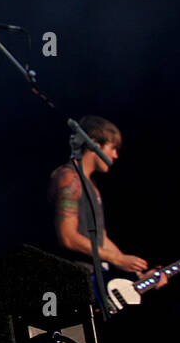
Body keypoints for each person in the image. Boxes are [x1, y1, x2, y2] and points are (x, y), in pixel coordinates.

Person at [48, 115, 164, 288]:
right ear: (95, 143)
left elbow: (101, 238)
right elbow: (68, 237)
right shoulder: (68, 178)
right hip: (70, 283)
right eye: (113, 148)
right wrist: (117, 259)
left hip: (93, 281)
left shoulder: (92, 187)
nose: (115, 155)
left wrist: (137, 273)